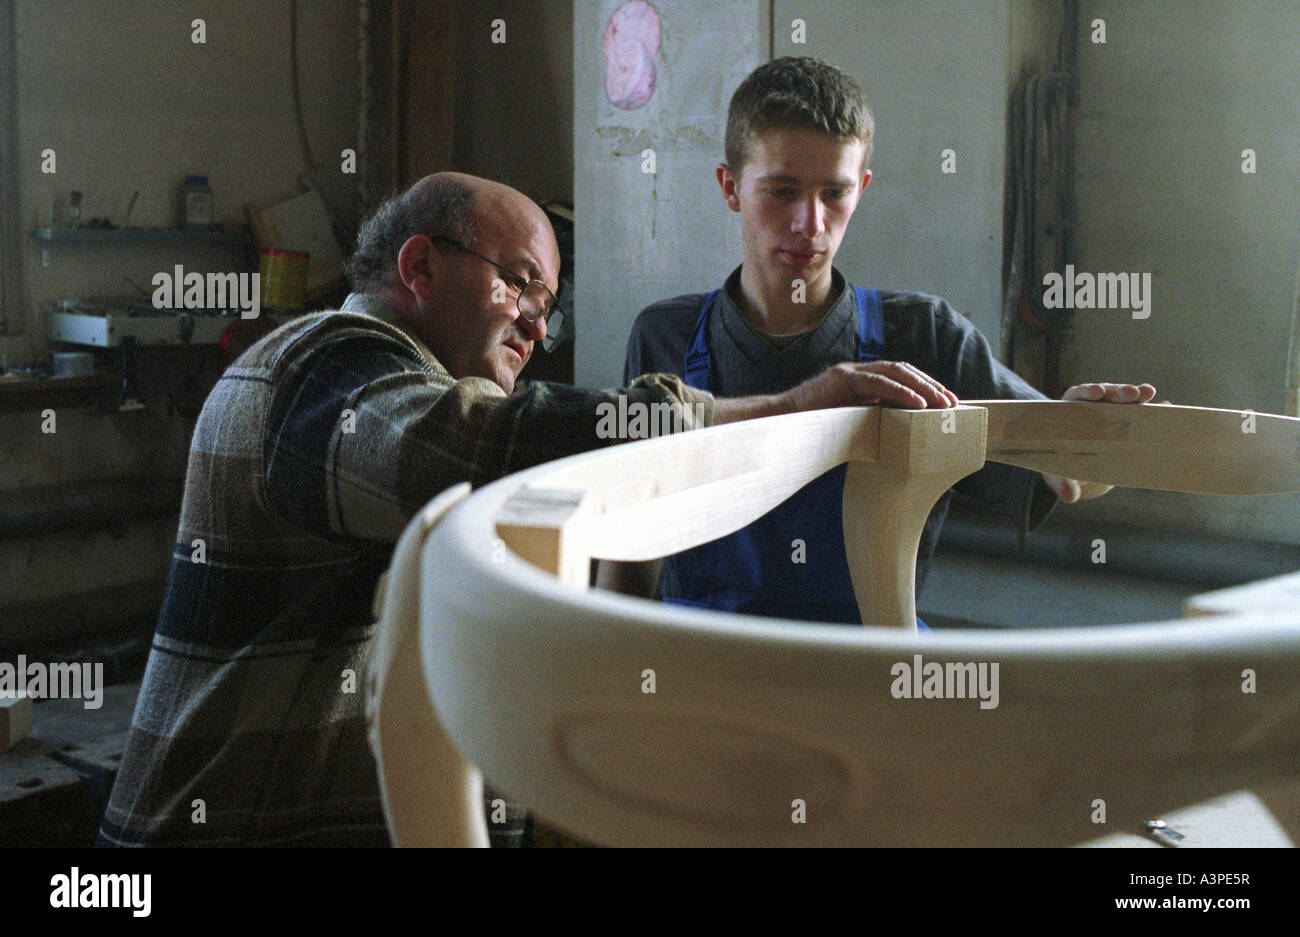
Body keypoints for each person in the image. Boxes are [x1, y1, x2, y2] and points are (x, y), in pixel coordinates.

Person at [97, 171, 963, 847]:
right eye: (520, 286)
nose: (538, 331)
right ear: (419, 267)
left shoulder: (405, 390)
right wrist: (792, 406)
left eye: (548, 308)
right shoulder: (317, 363)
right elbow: (473, 449)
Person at [615, 57, 1156, 624]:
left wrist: (1091, 437)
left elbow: (1063, 470)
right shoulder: (665, 338)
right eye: (781, 190)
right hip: (702, 665)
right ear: (730, 186)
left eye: (834, 193)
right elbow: (628, 531)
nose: (810, 224)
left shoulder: (925, 338)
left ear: (862, 189)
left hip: (873, 665)